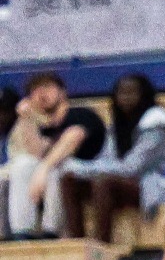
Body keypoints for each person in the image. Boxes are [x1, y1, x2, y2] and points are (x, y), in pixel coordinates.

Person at [61, 73, 165, 242]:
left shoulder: (157, 128)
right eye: (121, 92)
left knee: (103, 182)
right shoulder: (116, 127)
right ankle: (76, 243)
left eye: (132, 92)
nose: (125, 97)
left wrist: (81, 167)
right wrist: (78, 170)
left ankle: (100, 245)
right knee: (70, 179)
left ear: (144, 95)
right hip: (127, 185)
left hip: (158, 186)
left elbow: (130, 168)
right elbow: (107, 161)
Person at [8, 72, 107, 239]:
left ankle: (51, 231)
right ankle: (22, 232)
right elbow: (37, 153)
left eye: (47, 87)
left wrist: (43, 168)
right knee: (22, 164)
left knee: (57, 168)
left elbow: (73, 137)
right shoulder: (44, 126)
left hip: (90, 171)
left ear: (63, 92)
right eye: (35, 90)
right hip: (52, 174)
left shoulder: (80, 113)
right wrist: (26, 119)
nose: (41, 93)